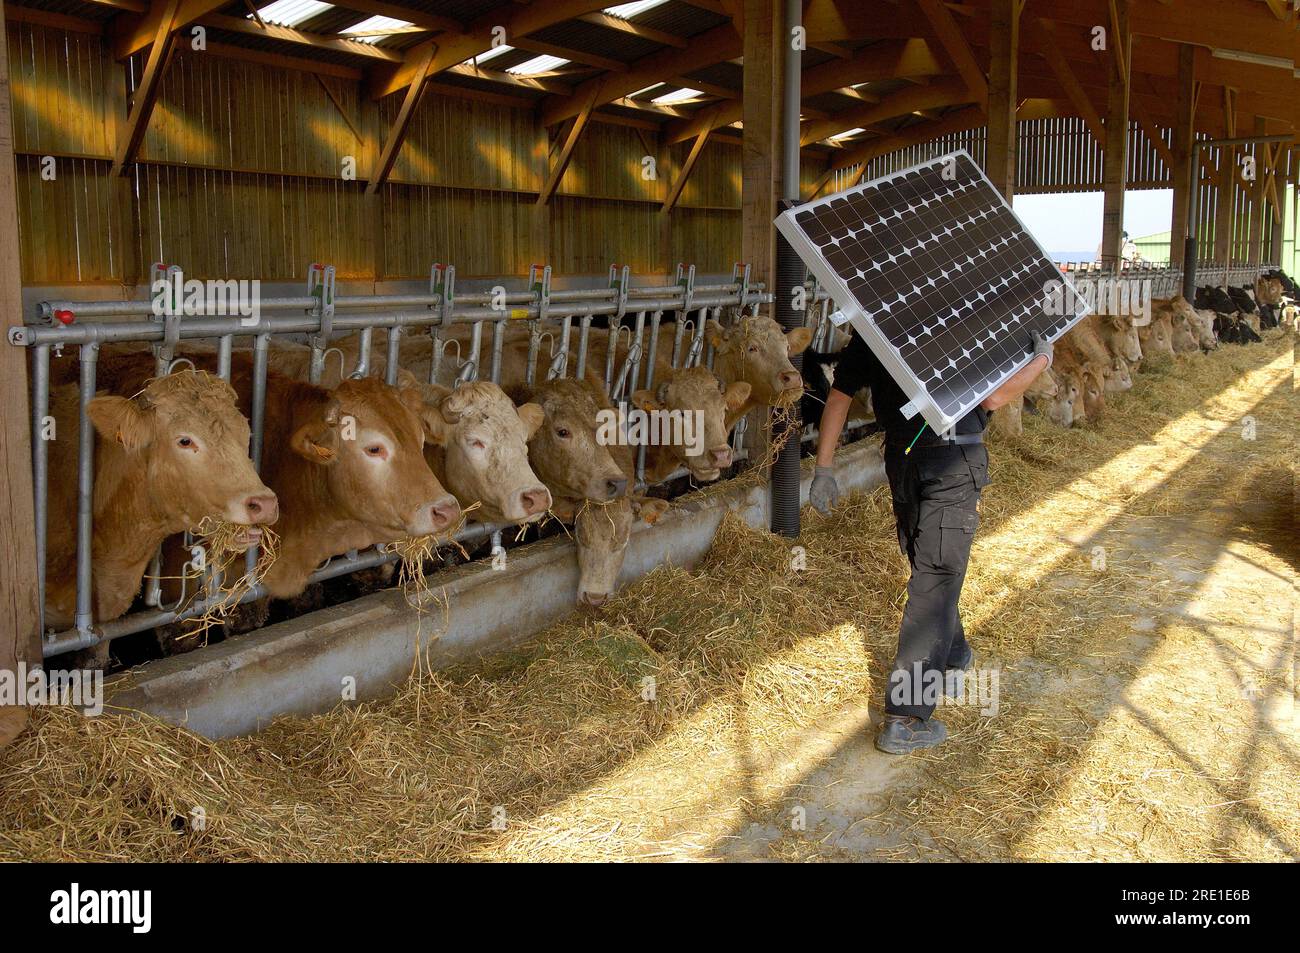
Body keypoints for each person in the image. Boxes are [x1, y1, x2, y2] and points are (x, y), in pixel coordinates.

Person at [810, 329, 1053, 754]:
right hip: (954, 462)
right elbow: (994, 399)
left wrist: (825, 467)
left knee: (928, 567)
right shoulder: (974, 325)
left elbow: (839, 398)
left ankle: (954, 654)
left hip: (902, 461)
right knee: (935, 578)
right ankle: (906, 718)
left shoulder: (875, 330)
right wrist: (1041, 361)